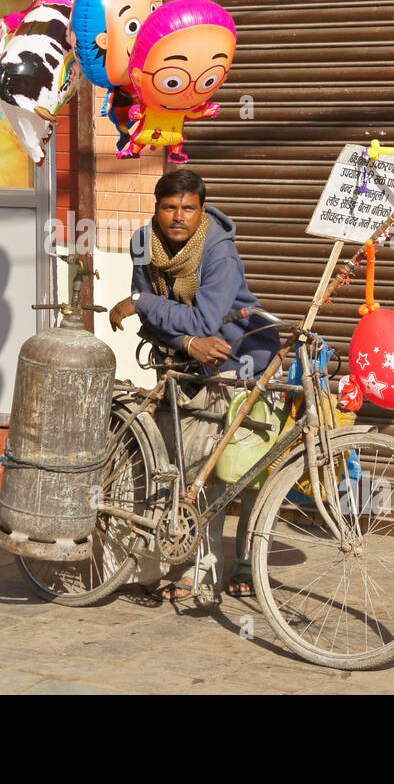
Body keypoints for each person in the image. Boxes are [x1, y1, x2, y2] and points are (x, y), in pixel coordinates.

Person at [109, 168, 282, 600]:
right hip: (187, 361)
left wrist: (146, 302)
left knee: (235, 469)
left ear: (202, 211)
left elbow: (206, 320)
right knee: (186, 469)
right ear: (157, 209)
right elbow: (167, 323)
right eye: (169, 207)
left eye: (188, 208)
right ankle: (189, 564)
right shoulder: (143, 245)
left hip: (245, 359)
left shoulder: (219, 254)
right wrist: (182, 336)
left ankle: (237, 564)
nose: (178, 217)